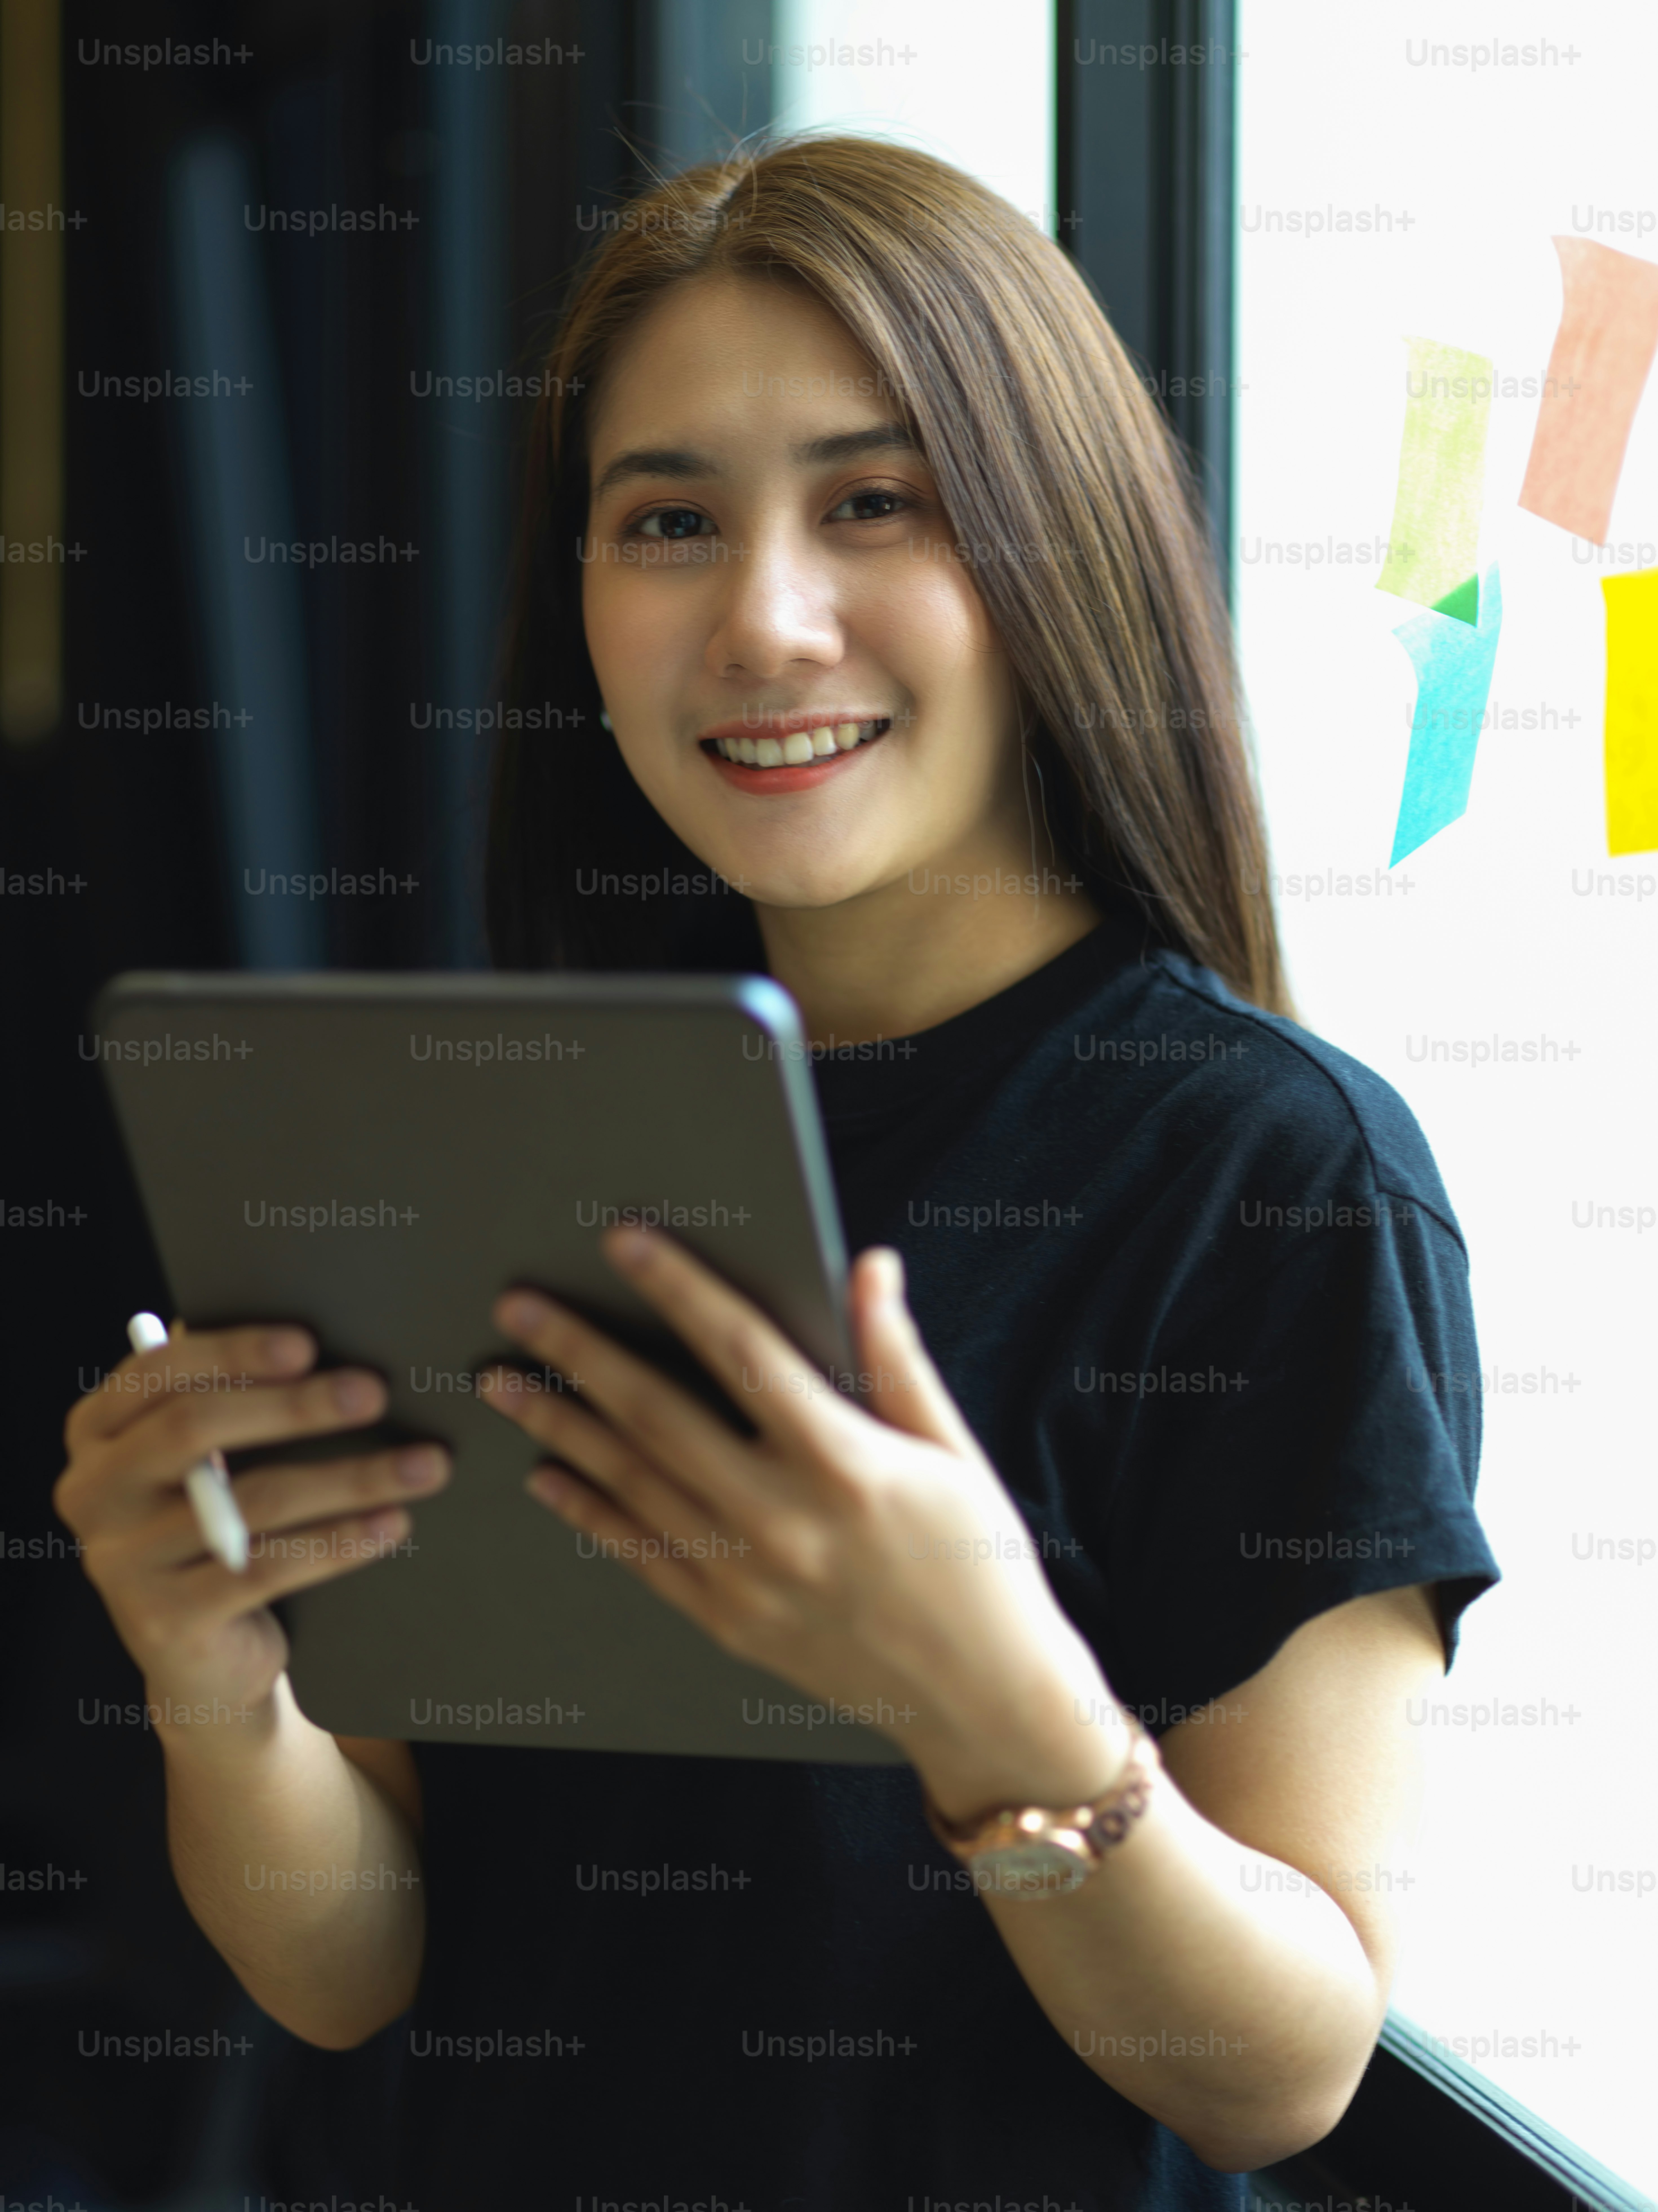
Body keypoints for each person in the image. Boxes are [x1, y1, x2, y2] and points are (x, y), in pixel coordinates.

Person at [56, 135, 1500, 2209]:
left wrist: (983, 1688)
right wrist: (213, 1687)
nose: (765, 618)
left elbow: (1280, 2078)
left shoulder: (1274, 1173)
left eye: (875, 501)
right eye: (668, 521)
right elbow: (354, 1965)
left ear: (1053, 545)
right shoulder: (500, 1106)